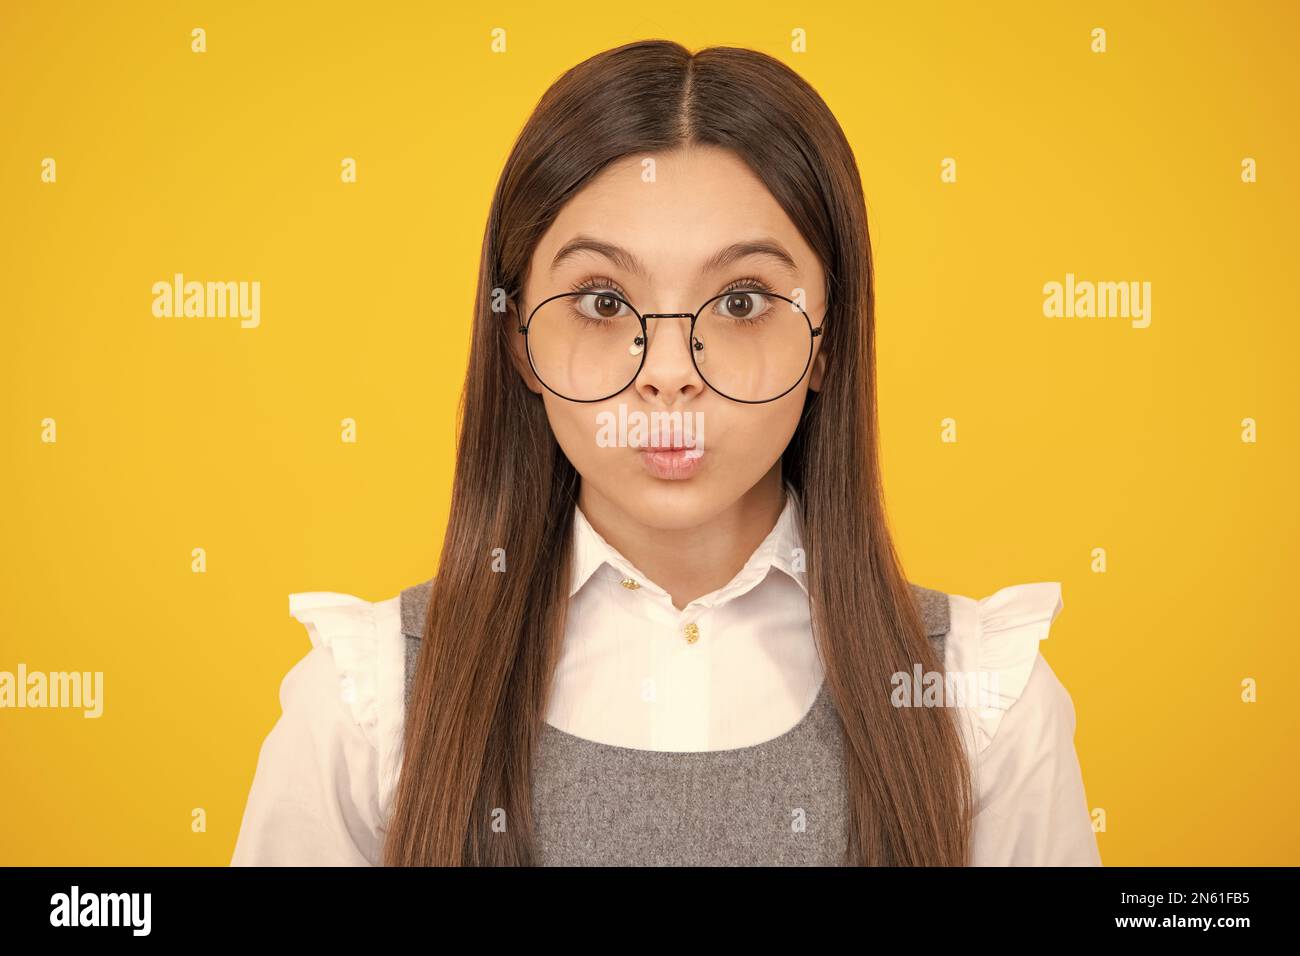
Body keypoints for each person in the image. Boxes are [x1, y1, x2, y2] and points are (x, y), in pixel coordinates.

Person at [231, 39, 1101, 867]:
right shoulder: (365, 705)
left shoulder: (985, 699)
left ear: (828, 341)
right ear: (520, 345)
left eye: (743, 300)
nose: (671, 375)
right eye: (605, 302)